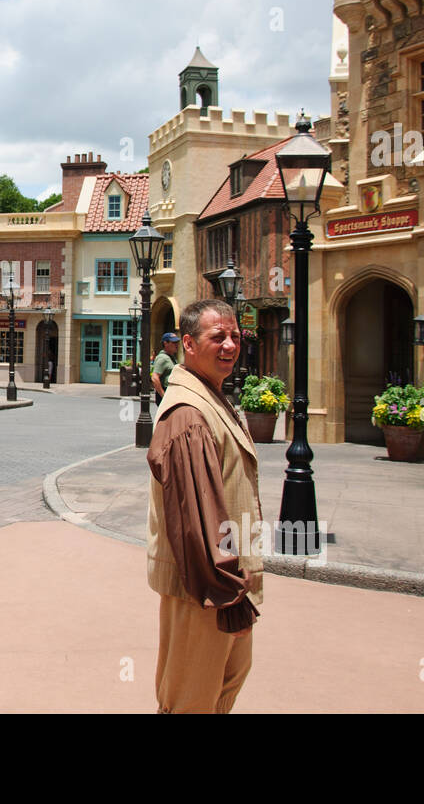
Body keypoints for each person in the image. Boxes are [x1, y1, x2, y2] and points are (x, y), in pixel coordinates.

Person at [146, 299, 263, 713]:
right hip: (206, 592)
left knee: (221, 691)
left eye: (235, 336)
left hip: (222, 586)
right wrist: (229, 596)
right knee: (190, 701)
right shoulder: (190, 415)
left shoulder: (211, 399)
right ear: (189, 345)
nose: (230, 345)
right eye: (218, 337)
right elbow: (197, 520)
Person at [150, 332, 180, 402]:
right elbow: (154, 378)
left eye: (177, 342)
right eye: (174, 342)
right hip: (166, 392)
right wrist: (164, 396)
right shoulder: (162, 358)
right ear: (165, 343)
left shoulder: (171, 357)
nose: (177, 345)